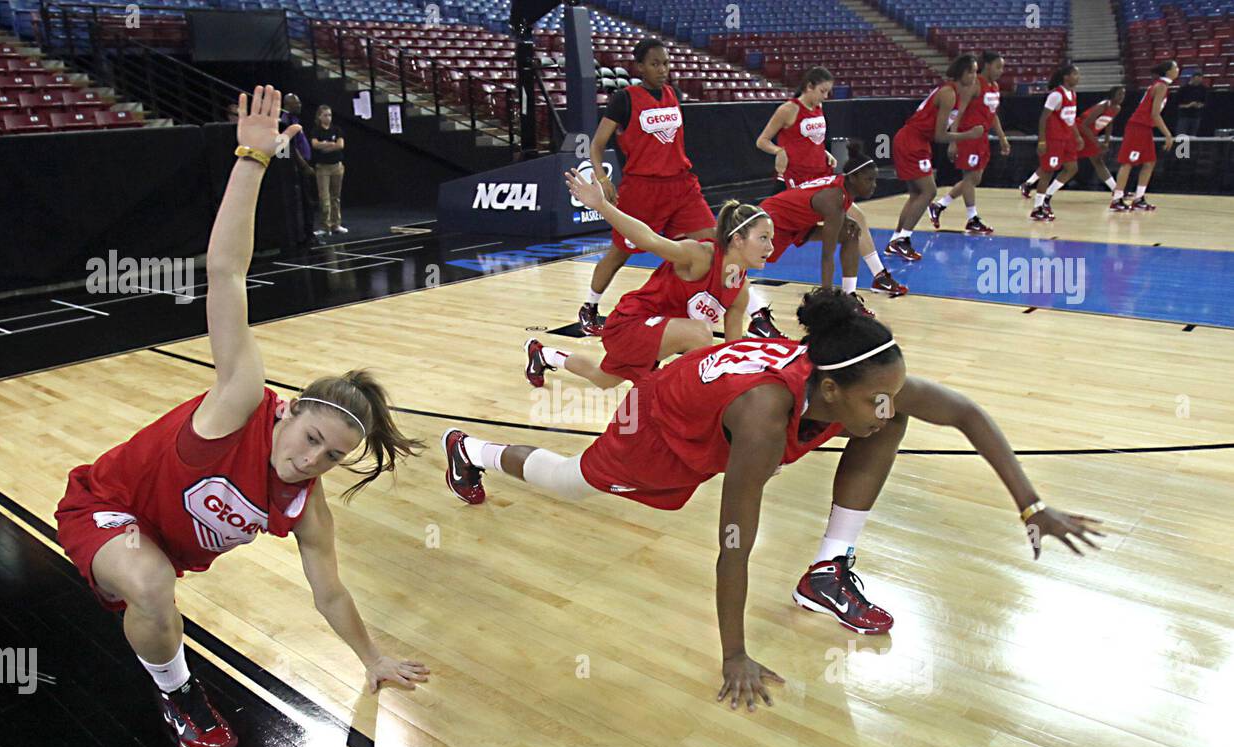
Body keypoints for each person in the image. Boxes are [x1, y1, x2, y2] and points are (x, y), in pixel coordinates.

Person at [443, 289, 1105, 710]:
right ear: (836, 390)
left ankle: (826, 570)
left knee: (897, 422)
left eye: (891, 389)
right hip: (662, 424)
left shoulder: (860, 383)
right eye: (874, 396)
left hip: (724, 405)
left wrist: (1030, 504)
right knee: (569, 483)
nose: (885, 401)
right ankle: (470, 451)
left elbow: (966, 413)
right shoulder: (763, 421)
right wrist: (733, 655)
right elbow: (734, 544)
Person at [53, 86, 429, 747]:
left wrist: (372, 658)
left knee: (155, 583)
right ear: (288, 409)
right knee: (152, 584)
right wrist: (252, 160)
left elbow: (331, 591)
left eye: (333, 458)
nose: (315, 459)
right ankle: (179, 695)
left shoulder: (305, 506)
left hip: (160, 549)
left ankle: (154, 621)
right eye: (313, 438)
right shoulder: (241, 403)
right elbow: (226, 273)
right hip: (103, 508)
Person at [578, 39, 759, 336]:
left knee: (717, 244)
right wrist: (602, 178)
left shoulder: (672, 93)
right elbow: (597, 145)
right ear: (639, 67)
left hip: (682, 185)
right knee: (619, 253)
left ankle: (756, 314)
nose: (662, 70)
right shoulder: (624, 99)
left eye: (665, 63)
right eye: (655, 64)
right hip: (643, 188)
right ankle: (590, 307)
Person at [524, 178, 771, 392]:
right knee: (700, 334)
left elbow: (731, 349)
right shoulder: (701, 255)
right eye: (763, 238)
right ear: (737, 239)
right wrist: (602, 205)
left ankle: (542, 354)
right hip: (630, 323)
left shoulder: (740, 291)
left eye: (770, 238)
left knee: (604, 380)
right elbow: (650, 239)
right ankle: (675, 400)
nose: (770, 247)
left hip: (659, 333)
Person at [756, 66, 908, 296]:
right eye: (823, 91)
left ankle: (878, 276)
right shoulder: (788, 110)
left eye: (828, 92)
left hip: (821, 174)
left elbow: (814, 141)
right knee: (790, 233)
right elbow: (762, 140)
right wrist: (779, 150)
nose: (826, 96)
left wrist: (823, 152)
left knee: (856, 220)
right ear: (809, 87)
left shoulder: (818, 107)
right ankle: (872, 278)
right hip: (800, 181)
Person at [886, 55, 986, 261]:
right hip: (912, 140)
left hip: (915, 140)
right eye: (973, 72)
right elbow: (940, 135)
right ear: (963, 73)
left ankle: (896, 239)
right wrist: (969, 135)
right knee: (929, 191)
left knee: (916, 194)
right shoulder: (949, 94)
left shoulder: (953, 92)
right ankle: (902, 240)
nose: (975, 76)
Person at [759, 142, 880, 292]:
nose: (874, 185)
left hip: (798, 222)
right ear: (853, 178)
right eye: (869, 180)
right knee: (749, 263)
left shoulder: (843, 188)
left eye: (874, 179)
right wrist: (827, 296)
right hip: (774, 220)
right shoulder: (834, 200)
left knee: (851, 232)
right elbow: (827, 255)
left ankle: (850, 295)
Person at [929, 51, 1011, 235]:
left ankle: (939, 206)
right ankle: (972, 218)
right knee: (970, 178)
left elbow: (993, 114)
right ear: (987, 65)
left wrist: (1002, 137)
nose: (1001, 70)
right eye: (998, 66)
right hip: (968, 136)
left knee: (974, 179)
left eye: (1002, 67)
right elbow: (958, 111)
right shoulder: (975, 84)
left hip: (981, 138)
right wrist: (953, 140)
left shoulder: (995, 86)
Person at [1112, 60, 1178, 212]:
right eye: (1176, 68)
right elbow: (1155, 114)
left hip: (1145, 127)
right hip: (1138, 126)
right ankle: (1116, 199)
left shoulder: (1161, 85)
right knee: (1127, 162)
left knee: (1149, 162)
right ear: (1168, 71)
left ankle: (1139, 198)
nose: (1178, 70)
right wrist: (1168, 135)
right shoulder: (1160, 86)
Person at [1027, 64, 1082, 222]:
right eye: (1075, 75)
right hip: (1054, 138)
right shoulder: (1056, 95)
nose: (1078, 78)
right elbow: (1043, 118)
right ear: (1066, 77)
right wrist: (1042, 140)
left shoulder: (1073, 94)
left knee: (1072, 168)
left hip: (1066, 137)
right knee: (1047, 172)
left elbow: (1070, 119)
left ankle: (1047, 196)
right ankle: (1037, 208)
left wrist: (1077, 137)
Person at [280, 92, 318, 242]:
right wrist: (304, 166)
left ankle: (308, 233)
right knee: (305, 201)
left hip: (303, 164)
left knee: (308, 201)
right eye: (296, 103)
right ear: (288, 105)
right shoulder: (285, 121)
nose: (300, 106)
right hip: (297, 168)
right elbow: (289, 148)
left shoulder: (295, 119)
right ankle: (306, 234)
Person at [309, 104, 347, 235]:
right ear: (319, 117)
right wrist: (328, 145)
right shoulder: (316, 130)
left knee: (335, 197)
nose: (328, 118)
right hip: (323, 167)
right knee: (324, 198)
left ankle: (336, 224)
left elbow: (340, 145)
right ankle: (325, 226)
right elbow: (315, 145)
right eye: (325, 115)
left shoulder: (336, 129)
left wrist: (326, 146)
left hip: (337, 166)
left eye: (330, 115)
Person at [1175, 72, 1206, 138]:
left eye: (1199, 81)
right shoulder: (1183, 89)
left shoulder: (1202, 89)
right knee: (1181, 136)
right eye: (1196, 80)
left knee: (1193, 136)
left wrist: (1199, 105)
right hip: (1184, 116)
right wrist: (1188, 105)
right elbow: (1177, 104)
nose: (1198, 82)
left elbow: (1204, 102)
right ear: (1192, 79)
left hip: (1196, 116)